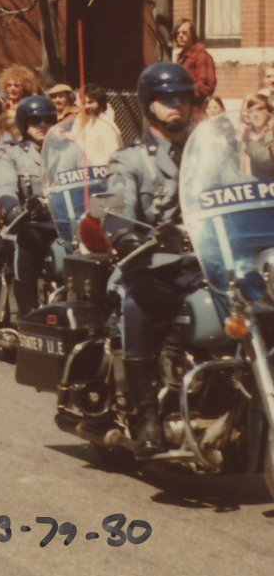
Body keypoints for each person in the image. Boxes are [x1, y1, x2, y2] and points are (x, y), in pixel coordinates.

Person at [88, 62, 202, 459]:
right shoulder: (131, 159)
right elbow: (115, 203)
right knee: (137, 305)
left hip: (202, 263)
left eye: (184, 98)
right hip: (150, 263)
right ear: (149, 105)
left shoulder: (206, 152)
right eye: (168, 99)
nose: (178, 106)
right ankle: (148, 415)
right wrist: (125, 231)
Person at [0, 94, 59, 316]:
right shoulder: (11, 152)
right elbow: (4, 185)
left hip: (63, 224)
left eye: (48, 120)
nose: (43, 125)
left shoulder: (67, 152)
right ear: (24, 123)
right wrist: (12, 208)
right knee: (28, 239)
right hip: (26, 224)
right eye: (35, 120)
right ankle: (26, 310)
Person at [173, 18, 216, 114]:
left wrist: (184, 93)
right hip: (182, 111)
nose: (180, 36)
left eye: (185, 33)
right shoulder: (181, 57)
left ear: (192, 36)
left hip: (196, 113)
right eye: (177, 33)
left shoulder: (201, 55)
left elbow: (207, 86)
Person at [239, 92, 274, 180]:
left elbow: (268, 162)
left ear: (269, 111)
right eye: (251, 111)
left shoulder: (271, 133)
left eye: (260, 109)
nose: (255, 115)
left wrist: (249, 142)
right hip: (249, 188)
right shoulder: (246, 132)